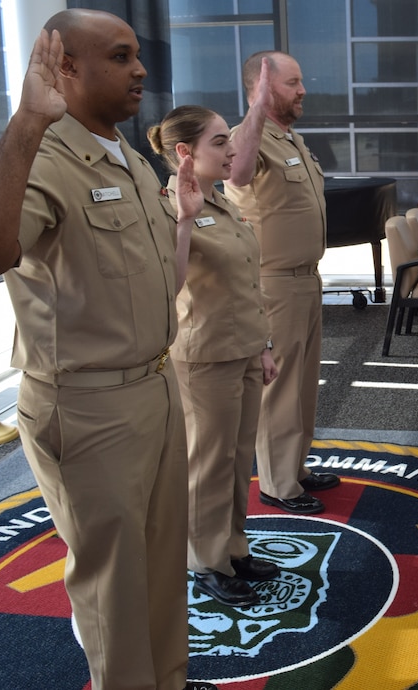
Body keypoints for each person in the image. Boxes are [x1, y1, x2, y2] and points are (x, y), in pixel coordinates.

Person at [0, 10, 218, 690]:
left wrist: (182, 225)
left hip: (153, 387)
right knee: (113, 591)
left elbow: (158, 289)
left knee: (159, 571)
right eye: (121, 57)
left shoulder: (128, 158)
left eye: (137, 56)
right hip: (88, 407)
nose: (141, 70)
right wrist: (26, 123)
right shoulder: (41, 155)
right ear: (66, 69)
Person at [148, 106, 282, 608]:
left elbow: (248, 282)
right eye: (221, 142)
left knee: (236, 459)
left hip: (243, 349)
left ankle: (232, 549)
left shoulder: (223, 203)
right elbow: (171, 283)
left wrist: (263, 346)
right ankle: (206, 561)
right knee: (208, 463)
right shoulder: (168, 209)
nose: (233, 151)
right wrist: (184, 220)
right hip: (205, 357)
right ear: (185, 153)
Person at [225, 52, 340, 514]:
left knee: (303, 383)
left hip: (306, 280)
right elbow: (237, 174)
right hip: (274, 283)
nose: (303, 90)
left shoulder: (291, 139)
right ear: (265, 87)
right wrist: (255, 108)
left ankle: (295, 466)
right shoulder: (246, 137)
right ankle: (276, 483)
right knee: (279, 387)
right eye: (293, 82)